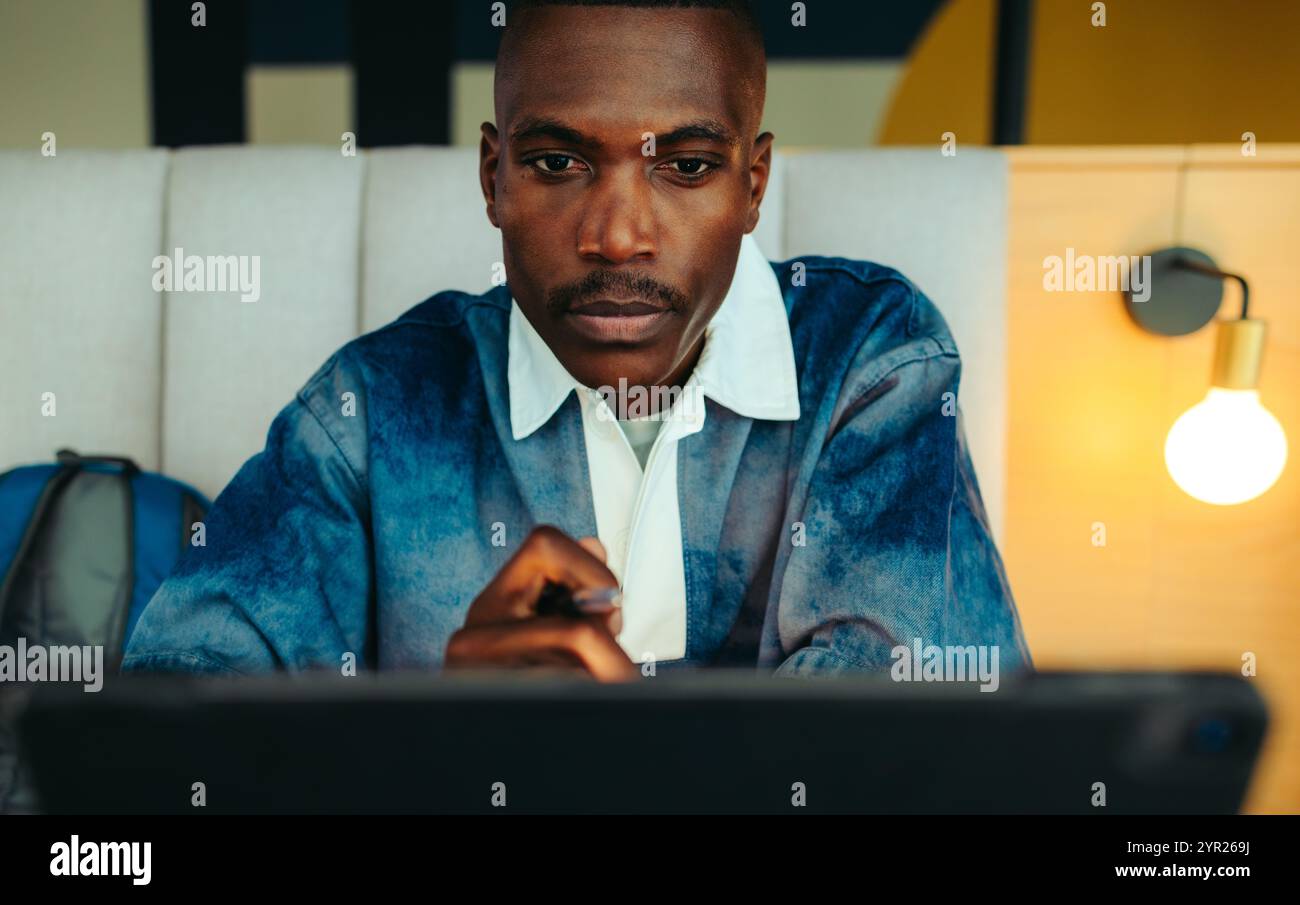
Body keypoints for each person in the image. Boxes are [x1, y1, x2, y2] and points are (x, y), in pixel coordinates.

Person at [123, 0, 1031, 681]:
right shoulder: (375, 410)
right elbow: (165, 747)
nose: (618, 236)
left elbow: (919, 752)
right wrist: (448, 745)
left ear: (753, 184)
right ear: (494, 177)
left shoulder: (868, 361)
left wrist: (559, 758)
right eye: (558, 163)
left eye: (685, 167)